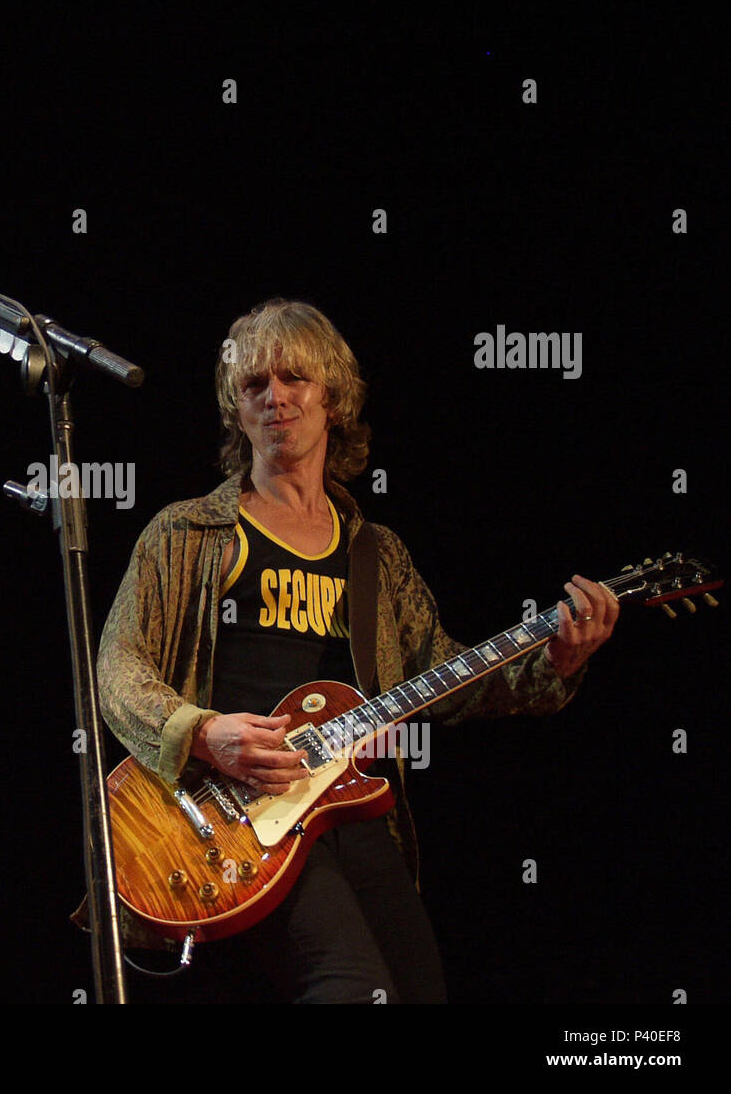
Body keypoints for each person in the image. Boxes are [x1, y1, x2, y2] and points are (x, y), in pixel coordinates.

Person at [96, 298, 617, 1002]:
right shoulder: (186, 534)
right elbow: (118, 667)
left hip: (349, 805)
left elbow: (444, 673)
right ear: (236, 410)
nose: (275, 397)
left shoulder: (377, 553)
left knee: (418, 989)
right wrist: (204, 731)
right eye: (254, 386)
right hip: (231, 819)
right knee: (350, 986)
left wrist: (555, 662)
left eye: (294, 379)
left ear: (333, 398)